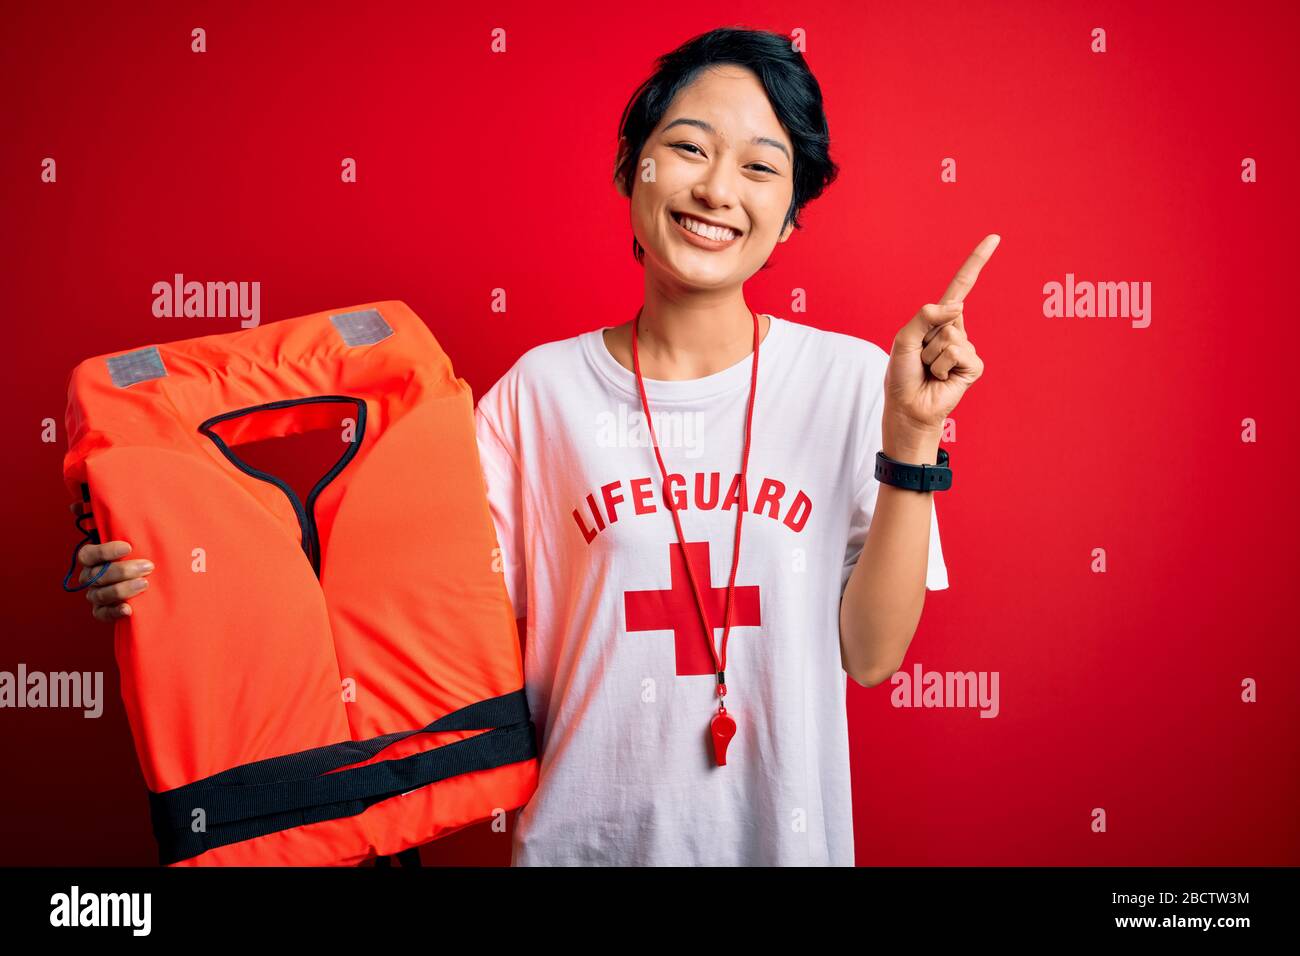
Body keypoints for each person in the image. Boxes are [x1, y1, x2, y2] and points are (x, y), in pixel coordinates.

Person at [70, 26, 994, 865]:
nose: (716, 189)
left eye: (762, 167)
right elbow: (381, 608)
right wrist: (178, 580)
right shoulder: (535, 397)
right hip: (580, 846)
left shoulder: (853, 384)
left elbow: (871, 658)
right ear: (635, 169)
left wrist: (913, 435)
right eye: (687, 148)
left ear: (792, 214)